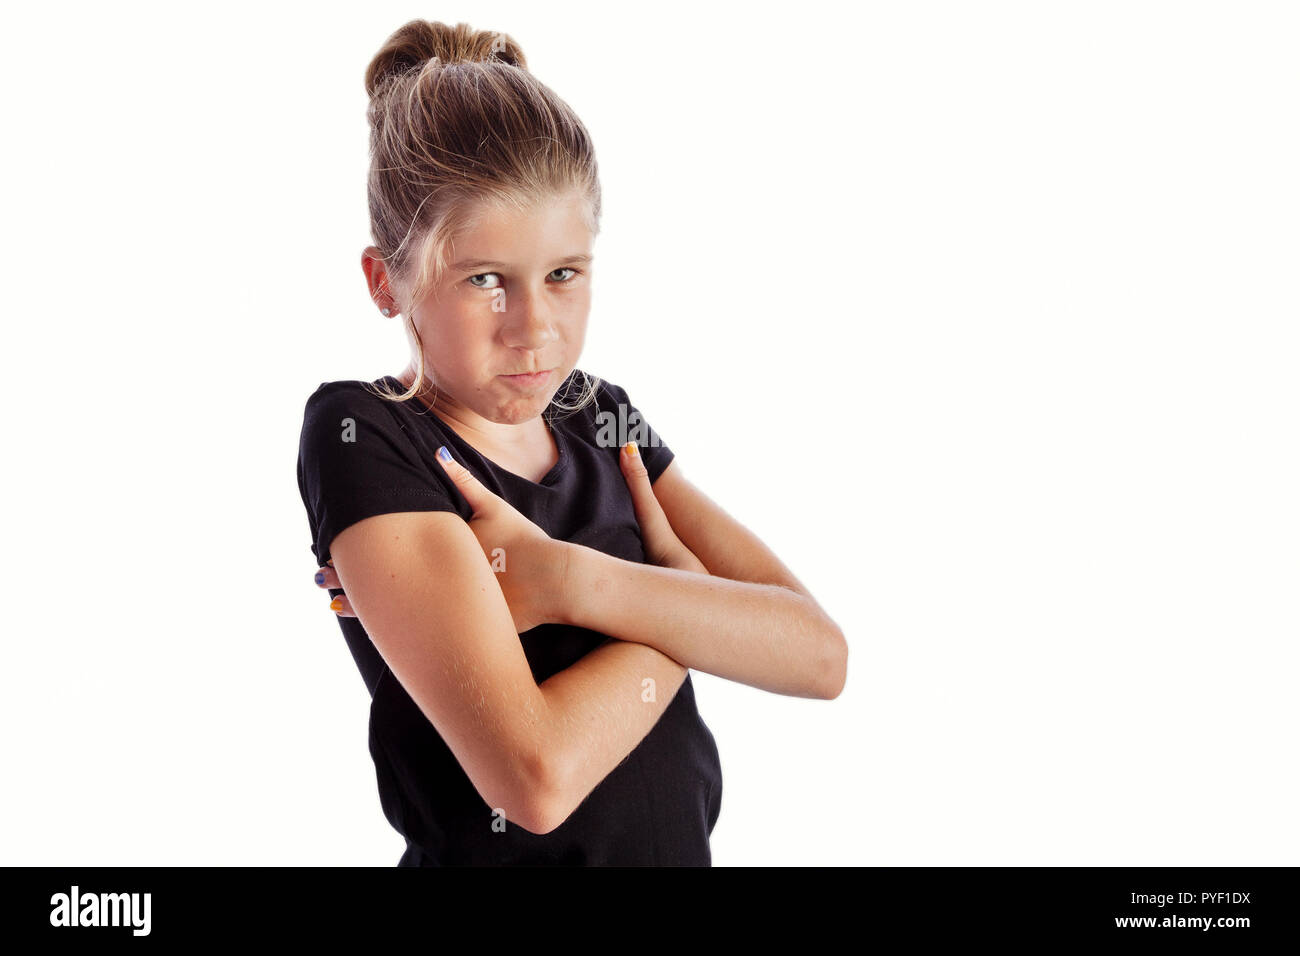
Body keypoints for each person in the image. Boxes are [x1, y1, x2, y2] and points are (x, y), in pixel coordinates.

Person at [295, 19, 847, 866]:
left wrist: (570, 582)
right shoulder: (366, 437)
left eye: (564, 275)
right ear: (386, 281)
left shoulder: (601, 414)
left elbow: (817, 652)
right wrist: (686, 601)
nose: (535, 332)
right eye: (484, 280)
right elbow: (537, 779)